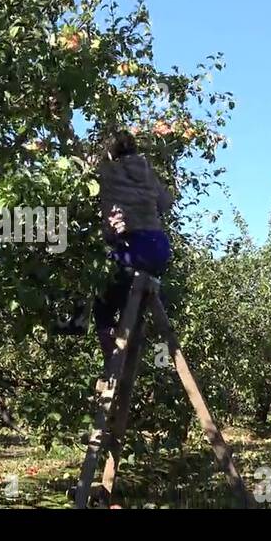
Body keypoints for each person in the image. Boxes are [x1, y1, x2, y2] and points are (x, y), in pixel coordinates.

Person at [93, 129, 174, 374]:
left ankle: (112, 357)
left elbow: (85, 175)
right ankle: (147, 355)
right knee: (132, 301)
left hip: (134, 247)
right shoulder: (147, 170)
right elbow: (166, 203)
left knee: (101, 294)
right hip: (159, 247)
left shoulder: (107, 171)